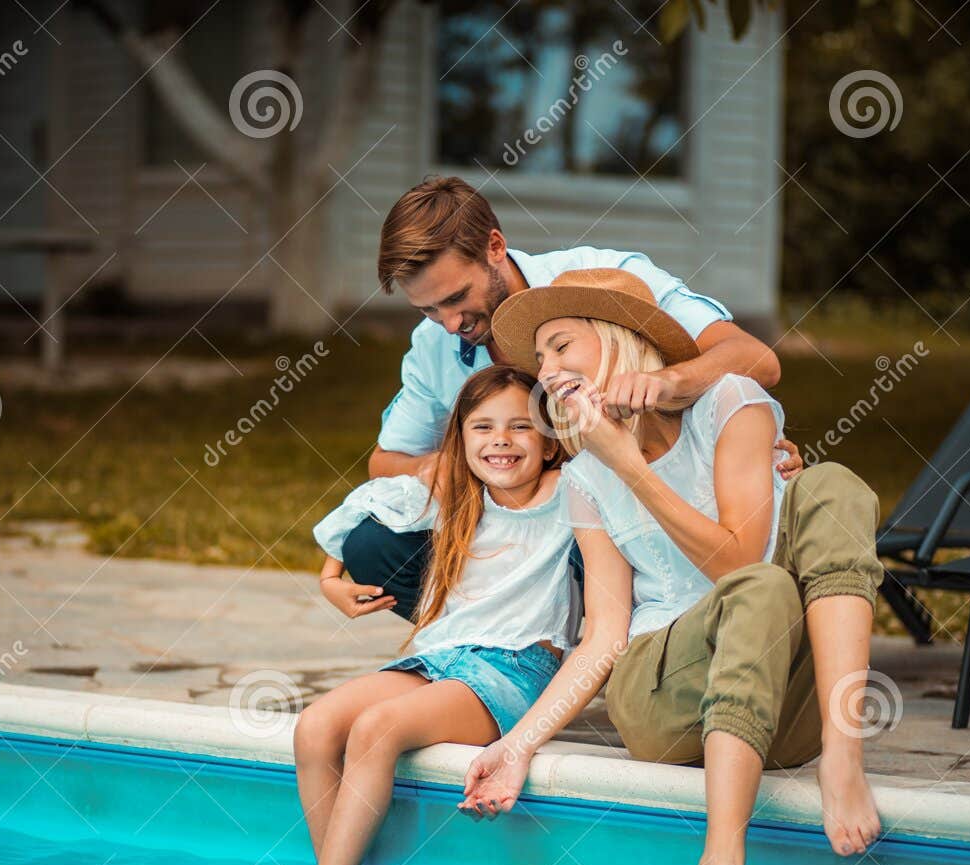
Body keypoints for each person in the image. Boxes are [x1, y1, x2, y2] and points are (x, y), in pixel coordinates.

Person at [459, 267, 886, 865]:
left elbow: (739, 558)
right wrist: (519, 743)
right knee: (764, 591)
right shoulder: (589, 473)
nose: (548, 369)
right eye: (540, 359)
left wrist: (632, 463)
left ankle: (844, 755)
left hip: (782, 709)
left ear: (622, 340)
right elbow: (605, 632)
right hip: (664, 694)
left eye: (562, 345)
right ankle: (721, 863)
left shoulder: (731, 405)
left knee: (832, 486)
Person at [336, 176, 799, 621]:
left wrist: (667, 382)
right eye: (429, 309)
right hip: (531, 523)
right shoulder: (432, 344)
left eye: (457, 297)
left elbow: (756, 359)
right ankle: (509, 647)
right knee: (373, 546)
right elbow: (385, 460)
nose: (450, 323)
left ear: (494, 247)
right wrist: (443, 465)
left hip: (632, 502)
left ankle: (608, 631)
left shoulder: (607, 280)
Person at [279, 364, 632, 865]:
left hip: (516, 667)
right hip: (440, 658)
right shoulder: (462, 494)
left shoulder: (574, 491)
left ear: (550, 440)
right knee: (316, 726)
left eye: (521, 427)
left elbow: (634, 460)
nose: (501, 441)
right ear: (461, 440)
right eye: (483, 427)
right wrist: (329, 579)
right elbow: (368, 502)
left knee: (377, 728)